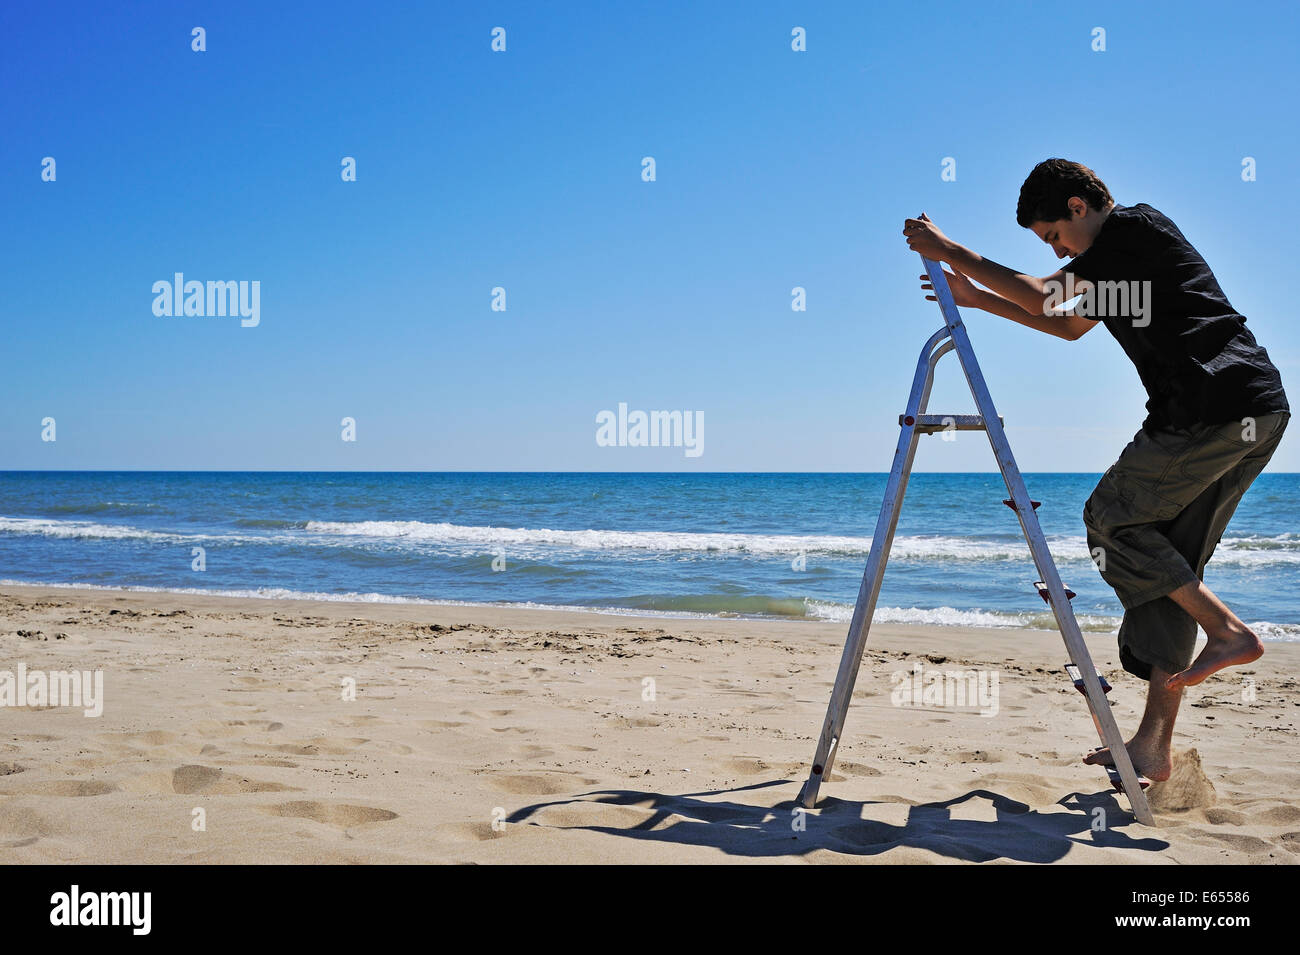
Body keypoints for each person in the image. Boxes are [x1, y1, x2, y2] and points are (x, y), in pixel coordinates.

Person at [903, 158, 1289, 780]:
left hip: (1210, 410)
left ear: (1079, 208)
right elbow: (1069, 325)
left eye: (1054, 237)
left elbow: (1043, 293)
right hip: (1252, 410)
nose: (1056, 250)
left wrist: (953, 251)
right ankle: (1153, 748)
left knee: (1109, 517)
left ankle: (1227, 630)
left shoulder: (1133, 232)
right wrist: (976, 299)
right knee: (1169, 571)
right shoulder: (1119, 263)